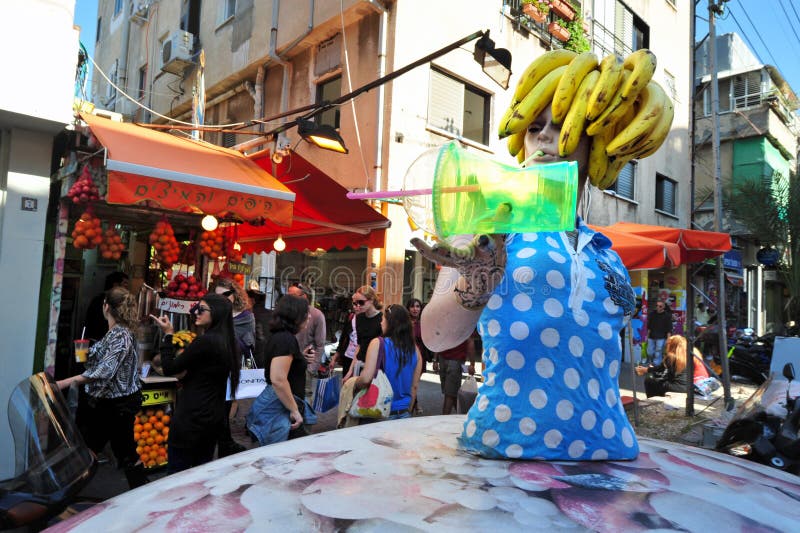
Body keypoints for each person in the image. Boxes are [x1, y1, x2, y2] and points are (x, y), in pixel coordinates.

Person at [412, 50, 673, 461]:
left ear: (596, 142)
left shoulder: (608, 255)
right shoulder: (491, 230)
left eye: (562, 126)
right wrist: (479, 279)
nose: (544, 137)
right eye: (534, 128)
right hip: (507, 461)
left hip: (609, 460)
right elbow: (436, 336)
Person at [57, 287, 147, 488]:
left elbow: (104, 371)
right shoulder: (113, 333)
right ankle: (68, 491)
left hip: (119, 404)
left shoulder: (121, 335)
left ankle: (141, 493)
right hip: (107, 402)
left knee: (122, 452)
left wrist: (65, 382)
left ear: (106, 306)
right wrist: (85, 355)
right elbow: (96, 366)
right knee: (97, 446)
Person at [152, 293, 240, 473]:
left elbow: (169, 368)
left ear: (216, 313)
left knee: (177, 475)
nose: (196, 313)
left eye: (201, 309)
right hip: (212, 418)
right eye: (195, 308)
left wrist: (168, 335)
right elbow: (204, 375)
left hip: (191, 417)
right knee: (200, 476)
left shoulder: (205, 342)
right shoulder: (228, 342)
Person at [246, 295, 315, 444]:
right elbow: (278, 379)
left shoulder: (282, 337)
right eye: (305, 312)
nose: (309, 316)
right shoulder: (285, 339)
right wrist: (294, 410)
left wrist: (299, 358)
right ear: (295, 315)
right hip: (280, 405)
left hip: (280, 403)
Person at [354, 304, 423, 420]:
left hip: (378, 410)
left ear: (390, 323)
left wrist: (354, 383)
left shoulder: (377, 343)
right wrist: (408, 410)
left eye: (383, 320)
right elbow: (414, 387)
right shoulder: (415, 350)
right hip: (404, 412)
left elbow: (366, 379)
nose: (381, 323)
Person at [210, 277, 253, 457]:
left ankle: (224, 443)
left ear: (235, 295)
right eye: (219, 295)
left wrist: (230, 343)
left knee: (226, 405)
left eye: (227, 294)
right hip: (213, 365)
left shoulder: (245, 316)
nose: (224, 298)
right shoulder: (212, 313)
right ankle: (224, 442)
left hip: (232, 365)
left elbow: (250, 342)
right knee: (217, 406)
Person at [331, 286, 383, 380]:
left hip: (374, 366)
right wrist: (350, 371)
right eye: (355, 303)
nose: (357, 306)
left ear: (371, 300)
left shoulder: (382, 320)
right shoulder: (359, 318)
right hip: (359, 363)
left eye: (361, 302)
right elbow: (359, 346)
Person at [636, 335, 712, 398]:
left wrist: (648, 370)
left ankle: (653, 399)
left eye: (668, 344)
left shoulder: (672, 356)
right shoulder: (693, 353)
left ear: (672, 345)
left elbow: (661, 372)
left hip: (677, 387)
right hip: (692, 386)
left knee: (650, 378)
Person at [287, 282, 327, 404]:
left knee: (304, 397)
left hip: (305, 366)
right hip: (286, 362)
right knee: (286, 394)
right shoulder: (287, 313)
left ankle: (305, 420)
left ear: (304, 297)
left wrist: (311, 368)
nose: (288, 298)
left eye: (292, 295)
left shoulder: (316, 315)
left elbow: (320, 344)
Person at [435, 335, 476, 415]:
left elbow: (438, 338)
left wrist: (435, 359)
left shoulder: (445, 322)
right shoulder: (464, 323)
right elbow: (470, 342)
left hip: (443, 359)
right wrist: (472, 364)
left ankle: (460, 415)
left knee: (450, 394)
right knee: (450, 394)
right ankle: (461, 416)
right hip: (455, 361)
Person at [84, 271, 129, 342]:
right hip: (100, 343)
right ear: (116, 285)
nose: (127, 289)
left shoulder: (96, 299)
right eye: (125, 284)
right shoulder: (109, 302)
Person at [406, 298, 433, 372]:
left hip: (421, 356)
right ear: (408, 308)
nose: (415, 309)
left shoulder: (425, 322)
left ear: (421, 308)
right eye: (412, 306)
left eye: (417, 306)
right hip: (407, 356)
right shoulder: (404, 323)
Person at [647, 300, 673, 366]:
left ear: (663, 307)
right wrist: (647, 336)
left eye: (660, 306)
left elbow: (669, 329)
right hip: (651, 336)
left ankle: (656, 364)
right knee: (650, 352)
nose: (658, 307)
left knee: (658, 352)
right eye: (656, 306)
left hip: (661, 337)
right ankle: (653, 361)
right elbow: (649, 326)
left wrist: (668, 339)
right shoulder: (652, 314)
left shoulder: (667, 316)